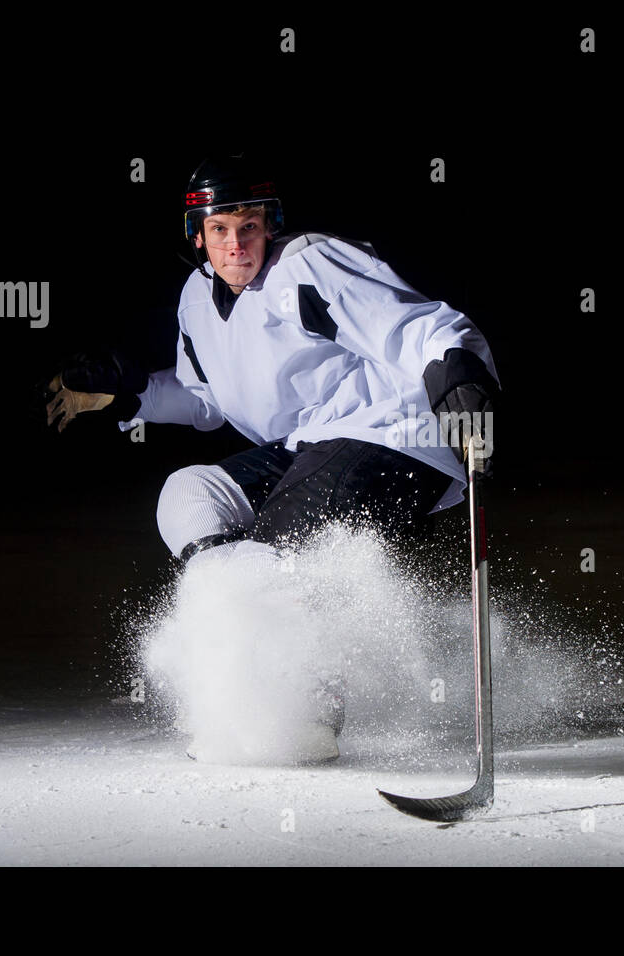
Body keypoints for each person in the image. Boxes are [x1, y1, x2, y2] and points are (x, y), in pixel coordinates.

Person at [42, 155, 501, 758]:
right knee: (189, 499)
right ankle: (246, 698)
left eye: (249, 226)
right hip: (307, 445)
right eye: (220, 230)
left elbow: (418, 325)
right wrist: (132, 397)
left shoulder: (307, 263)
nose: (236, 244)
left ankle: (310, 709)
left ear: (269, 224)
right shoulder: (196, 302)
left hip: (391, 435)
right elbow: (207, 400)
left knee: (281, 543)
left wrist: (457, 371)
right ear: (197, 234)